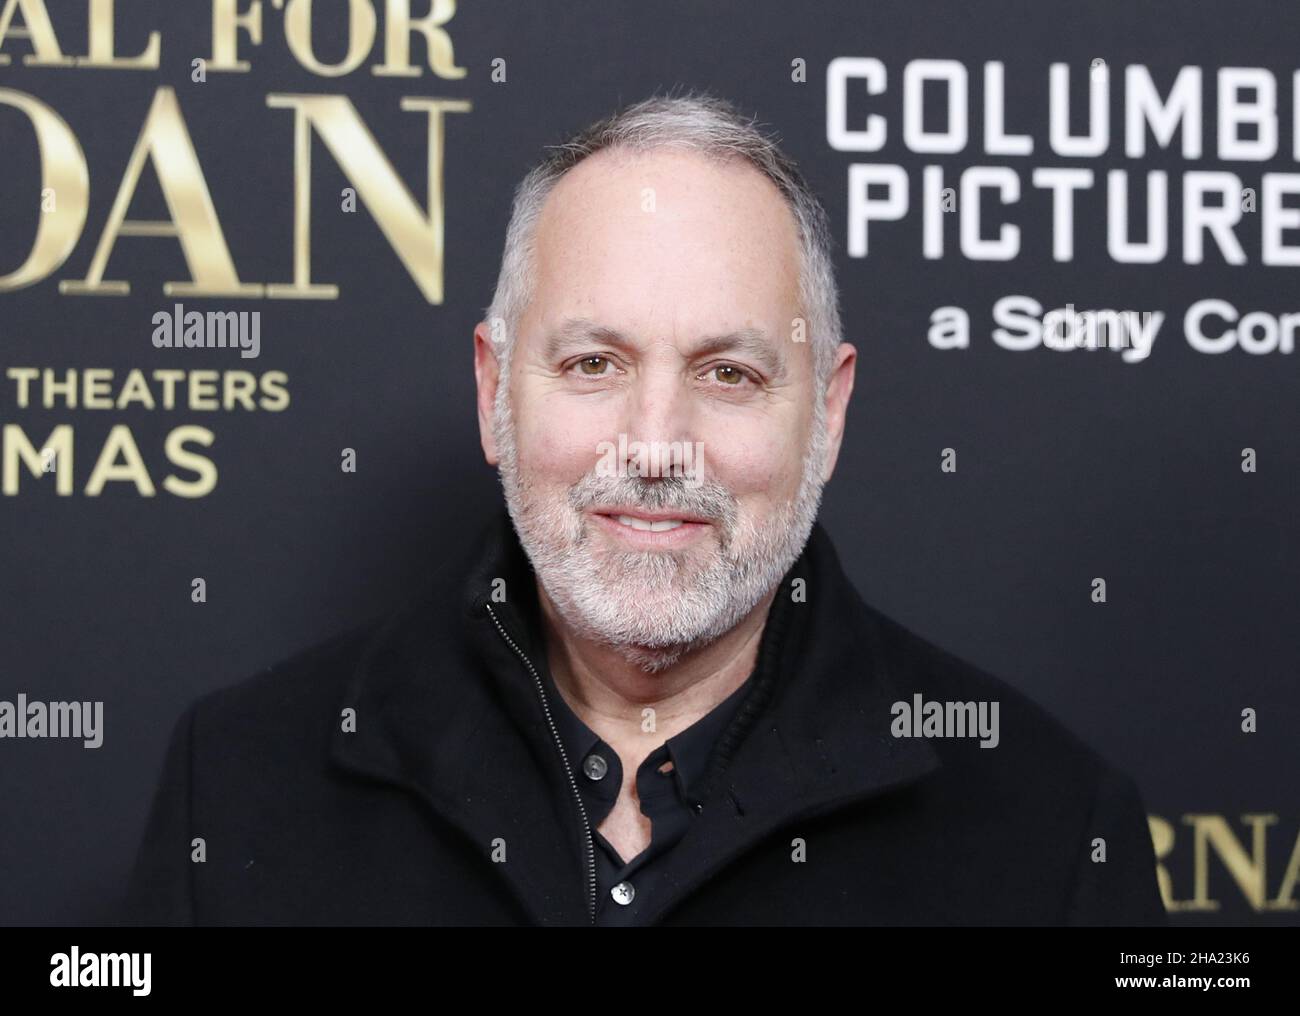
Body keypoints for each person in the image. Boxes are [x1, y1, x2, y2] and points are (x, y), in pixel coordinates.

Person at [121, 92, 1167, 926]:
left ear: (829, 412)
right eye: (592, 362)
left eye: (727, 373)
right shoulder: (243, 781)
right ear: (494, 391)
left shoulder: (1053, 837)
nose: (654, 443)